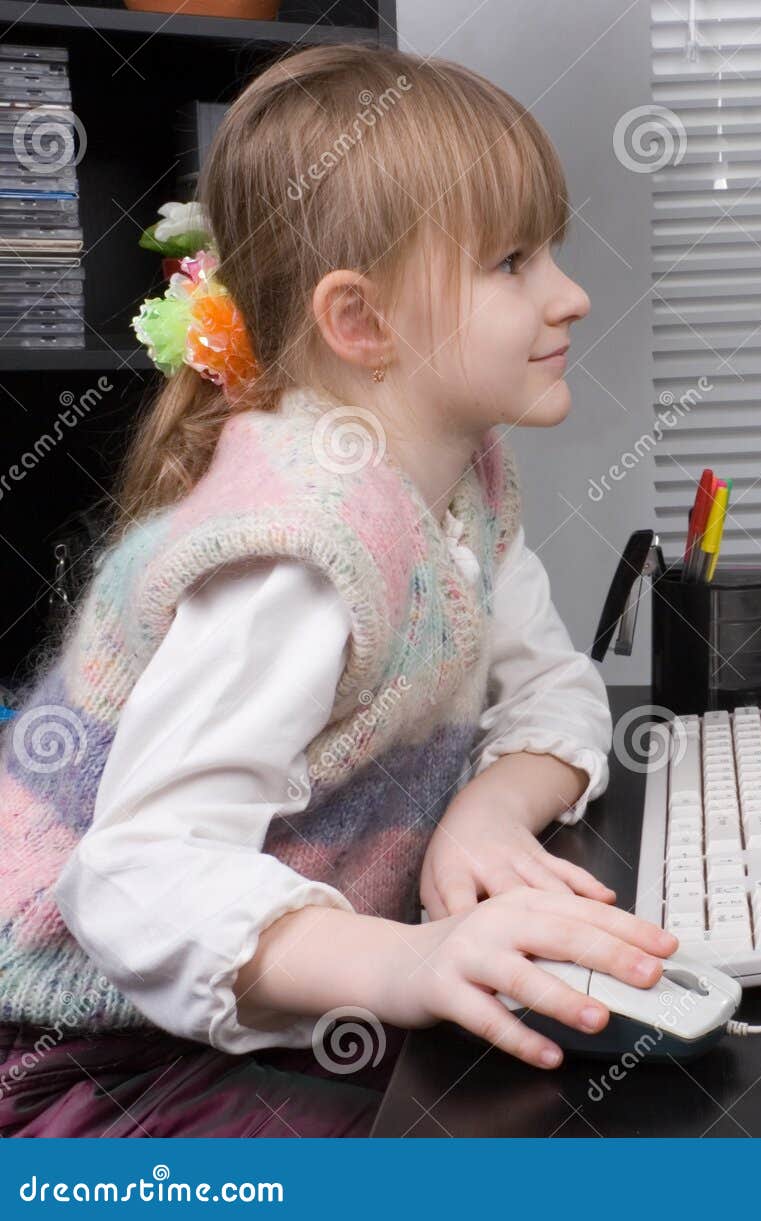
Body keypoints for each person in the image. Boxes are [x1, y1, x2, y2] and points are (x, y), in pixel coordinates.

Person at [0, 44, 676, 1137]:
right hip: (97, 1053)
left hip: (275, 994)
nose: (570, 294)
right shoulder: (297, 552)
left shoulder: (458, 481)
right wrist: (412, 960)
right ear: (361, 323)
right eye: (512, 261)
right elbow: (134, 880)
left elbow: (550, 677)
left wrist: (486, 814)